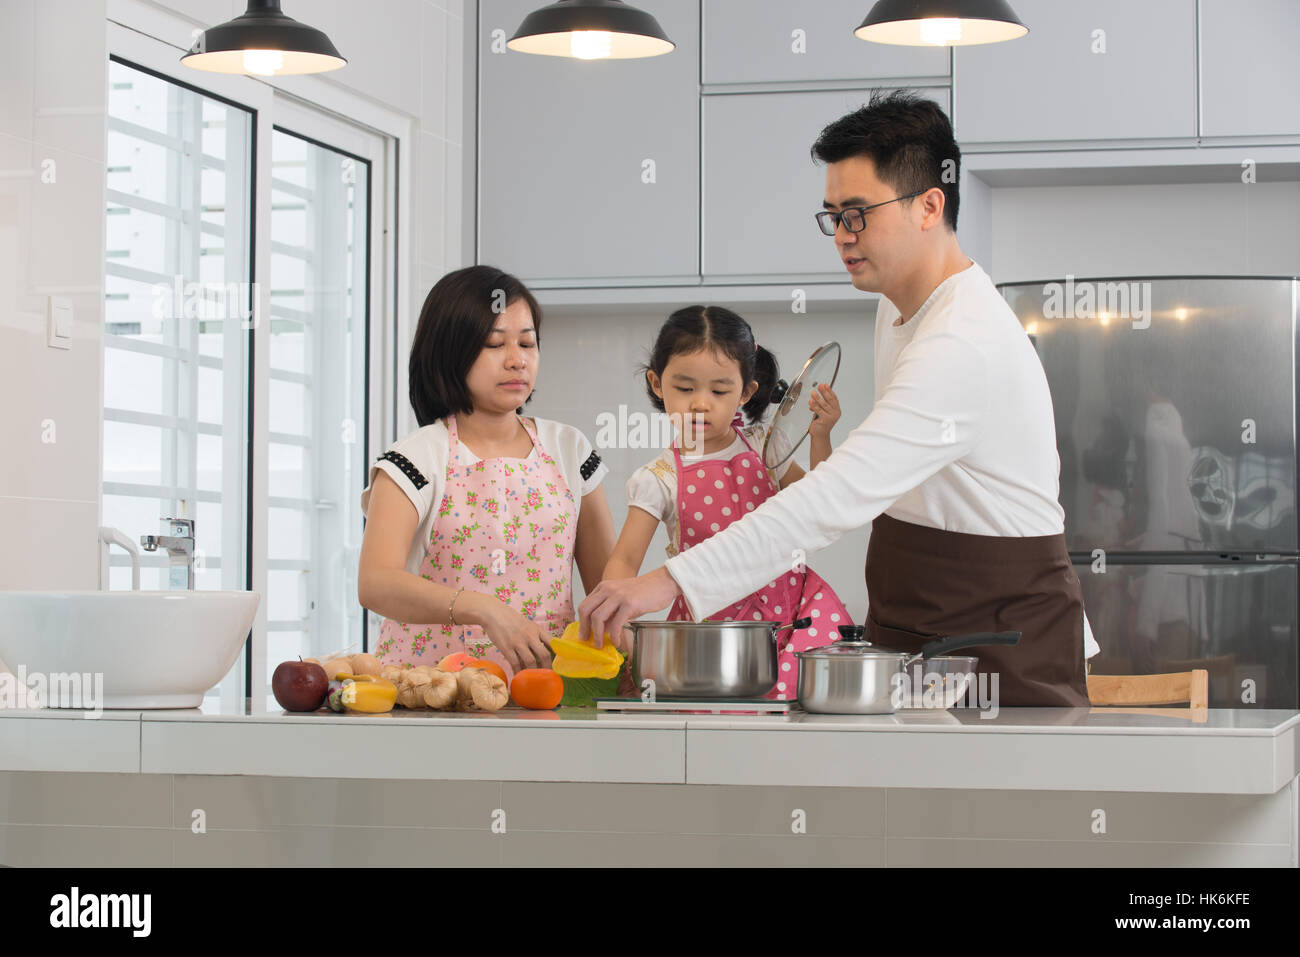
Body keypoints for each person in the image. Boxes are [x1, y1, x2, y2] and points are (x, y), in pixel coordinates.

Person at [579, 90, 1094, 707]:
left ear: (929, 206)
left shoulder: (963, 343)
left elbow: (833, 496)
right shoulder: (898, 306)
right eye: (832, 216)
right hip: (918, 613)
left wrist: (665, 581)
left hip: (999, 636)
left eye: (858, 214)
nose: (842, 236)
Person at [358, 265, 616, 680]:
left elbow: (608, 588)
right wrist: (484, 608)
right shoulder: (417, 458)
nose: (517, 361)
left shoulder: (569, 449)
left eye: (527, 343)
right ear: (450, 352)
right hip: (433, 696)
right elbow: (375, 583)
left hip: (544, 691)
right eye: (495, 344)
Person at [602, 305, 851, 700]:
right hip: (708, 637)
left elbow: (819, 504)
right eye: (685, 388)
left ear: (747, 391)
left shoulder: (768, 445)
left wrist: (820, 436)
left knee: (798, 726)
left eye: (719, 391)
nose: (701, 403)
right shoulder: (657, 478)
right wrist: (612, 608)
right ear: (656, 383)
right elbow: (624, 559)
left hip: (793, 617)